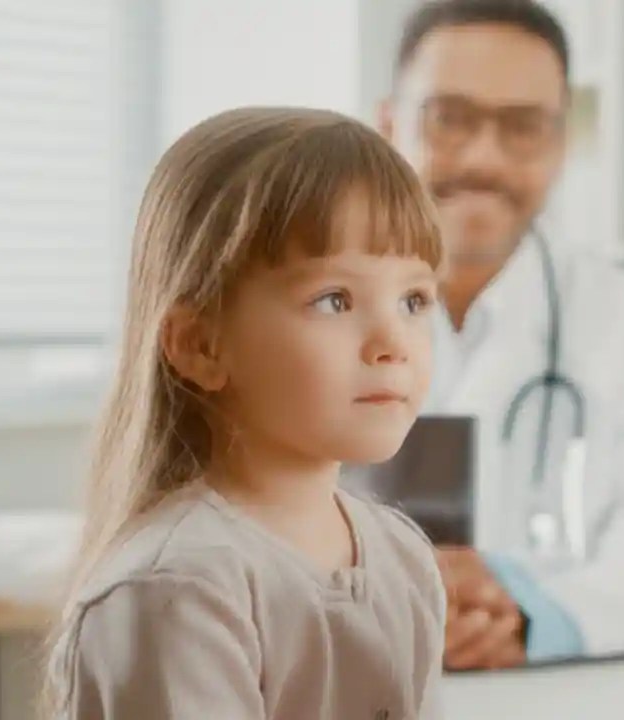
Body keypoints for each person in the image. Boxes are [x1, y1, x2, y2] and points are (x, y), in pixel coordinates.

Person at [42, 107, 448, 719]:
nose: (393, 341)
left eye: (414, 298)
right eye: (335, 299)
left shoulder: (404, 559)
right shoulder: (177, 591)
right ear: (201, 345)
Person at [377, 0, 624, 669]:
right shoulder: (287, 309)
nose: (484, 158)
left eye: (523, 127)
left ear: (561, 144)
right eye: (449, 118)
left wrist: (526, 612)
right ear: (387, 125)